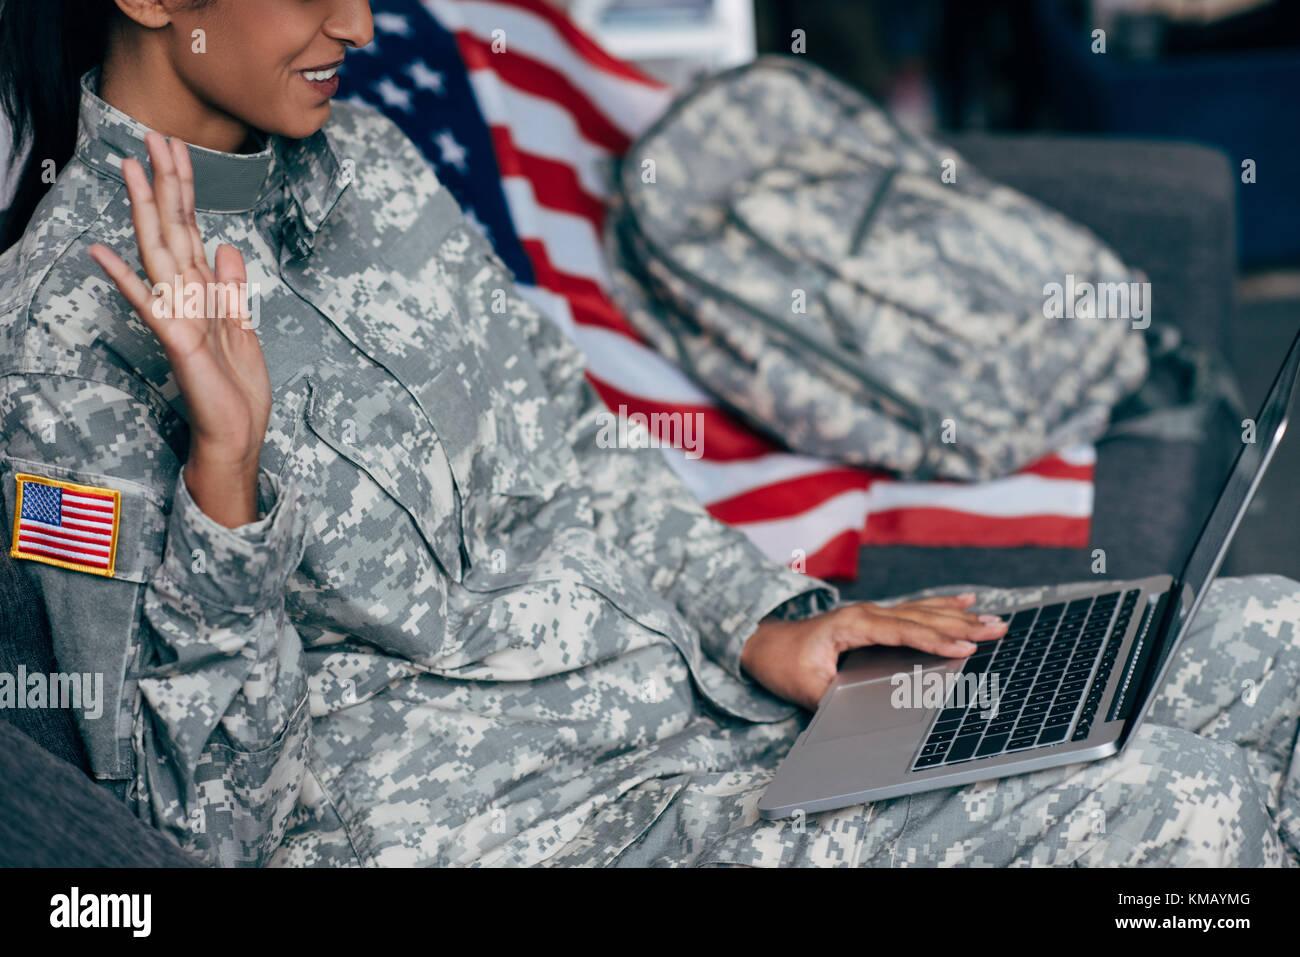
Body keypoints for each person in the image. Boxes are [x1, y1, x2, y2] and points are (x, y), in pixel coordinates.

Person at [0, 0, 1296, 868]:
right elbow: (190, 821)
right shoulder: (59, 341)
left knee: (1274, 641)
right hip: (568, 827)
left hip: (713, 703)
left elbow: (578, 448)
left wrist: (764, 618)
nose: (359, 20)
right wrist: (228, 482)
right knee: (1190, 807)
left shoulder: (371, 163)